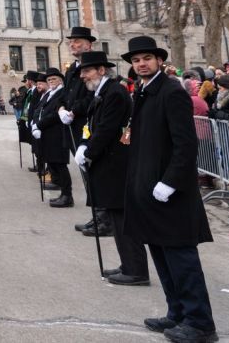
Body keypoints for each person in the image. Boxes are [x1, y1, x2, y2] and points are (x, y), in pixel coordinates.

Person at [121, 36, 217, 343]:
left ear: (159, 60)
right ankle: (177, 312)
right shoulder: (145, 92)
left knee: (181, 258)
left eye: (147, 58)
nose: (141, 64)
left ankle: (200, 323)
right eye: (136, 60)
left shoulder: (171, 91)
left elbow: (186, 143)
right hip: (149, 190)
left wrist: (170, 181)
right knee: (161, 255)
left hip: (170, 192)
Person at [74, 50, 149, 286]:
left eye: (87, 71)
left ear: (101, 70)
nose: (83, 76)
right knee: (117, 219)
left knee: (123, 218)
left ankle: (136, 269)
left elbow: (107, 129)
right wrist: (85, 145)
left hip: (116, 164)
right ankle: (128, 264)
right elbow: (94, 125)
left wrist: (88, 152)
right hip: (109, 162)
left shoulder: (114, 93)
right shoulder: (103, 91)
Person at [62, 27, 100, 230]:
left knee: (93, 171)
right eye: (71, 42)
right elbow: (66, 93)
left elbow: (91, 96)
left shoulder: (93, 67)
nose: (73, 45)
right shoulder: (72, 68)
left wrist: (73, 111)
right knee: (85, 172)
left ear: (89, 45)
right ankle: (97, 213)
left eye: (77, 41)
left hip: (87, 123)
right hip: (72, 125)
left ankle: (103, 216)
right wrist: (61, 108)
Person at [34, 67, 73, 208]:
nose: (51, 81)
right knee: (52, 162)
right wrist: (35, 124)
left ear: (61, 80)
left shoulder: (62, 92)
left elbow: (56, 114)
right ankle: (60, 188)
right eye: (49, 79)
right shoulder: (49, 93)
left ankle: (67, 195)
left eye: (54, 79)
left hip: (58, 133)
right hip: (47, 133)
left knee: (60, 164)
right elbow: (41, 109)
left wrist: (40, 124)